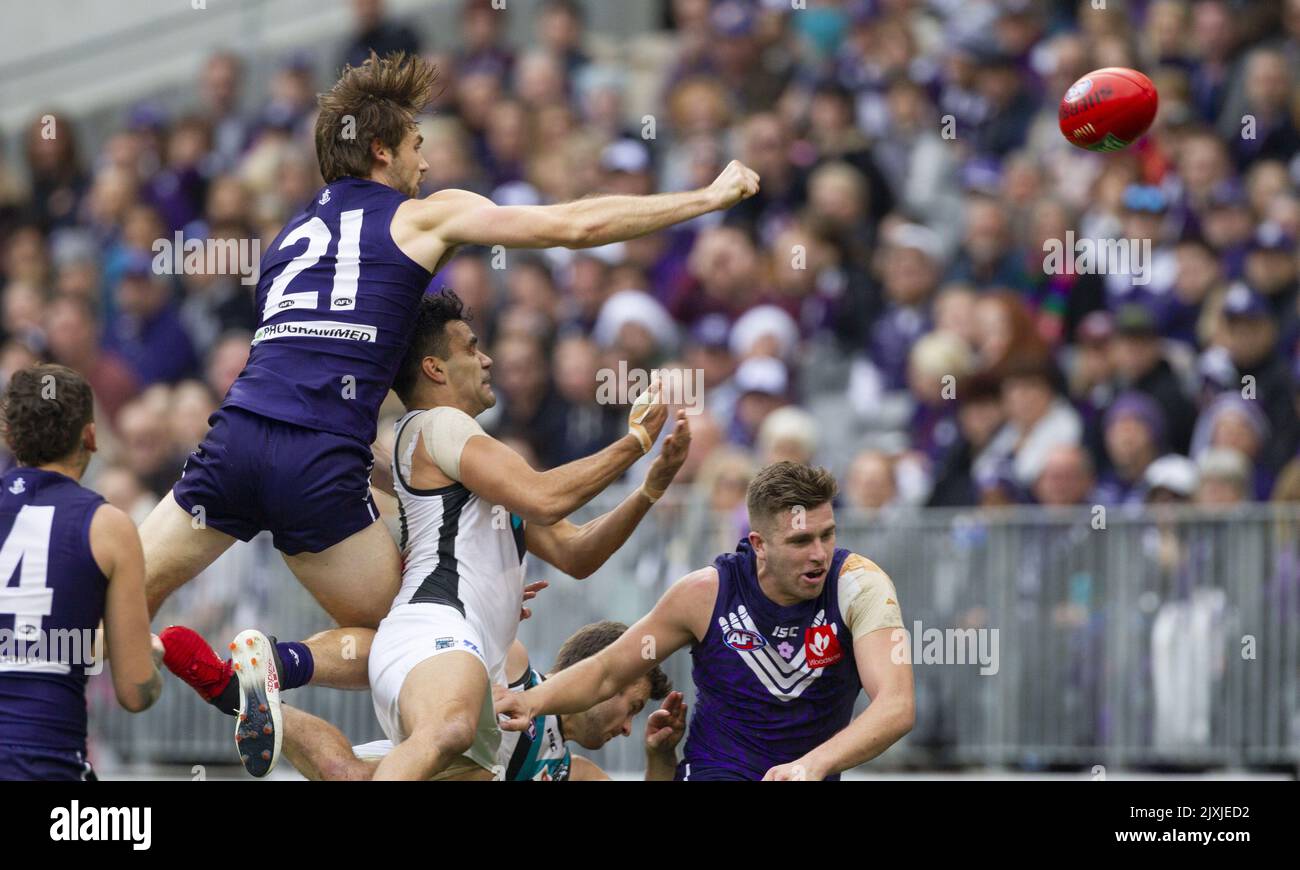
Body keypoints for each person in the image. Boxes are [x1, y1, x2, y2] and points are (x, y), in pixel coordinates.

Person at [140, 51, 757, 775]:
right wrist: (705, 200)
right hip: (373, 542)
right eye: (416, 146)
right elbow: (575, 227)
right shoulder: (424, 253)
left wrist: (635, 493)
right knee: (420, 671)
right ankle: (262, 667)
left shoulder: (284, 245)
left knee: (117, 605)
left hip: (242, 439)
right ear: (381, 149)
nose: (425, 164)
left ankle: (215, 677)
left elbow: (573, 547)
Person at [162, 292, 691, 777]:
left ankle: (252, 682)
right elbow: (544, 495)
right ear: (435, 367)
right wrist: (635, 442)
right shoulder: (439, 424)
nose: (487, 360)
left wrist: (647, 492)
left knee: (357, 773)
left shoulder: (483, 484)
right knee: (451, 729)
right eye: (473, 348)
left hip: (451, 645)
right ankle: (276, 665)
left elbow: (577, 552)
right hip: (435, 627)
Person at [495, 461, 915, 781]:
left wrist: (811, 765)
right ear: (759, 545)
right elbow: (607, 669)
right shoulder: (705, 594)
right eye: (801, 540)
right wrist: (532, 702)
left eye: (828, 534)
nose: (820, 553)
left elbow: (896, 706)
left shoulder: (859, 585)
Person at [0, 365, 162, 780]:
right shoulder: (109, 527)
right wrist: (148, 661)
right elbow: (134, 691)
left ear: (10, 436)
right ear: (90, 436)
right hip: (47, 761)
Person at [282, 623, 684, 781]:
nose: (629, 728)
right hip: (377, 766)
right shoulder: (514, 667)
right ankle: (266, 686)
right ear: (604, 683)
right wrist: (489, 612)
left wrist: (661, 758)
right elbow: (414, 630)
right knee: (347, 775)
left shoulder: (575, 774)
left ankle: (253, 698)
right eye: (632, 707)